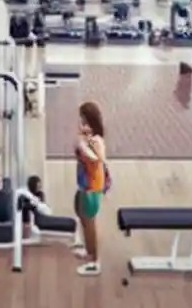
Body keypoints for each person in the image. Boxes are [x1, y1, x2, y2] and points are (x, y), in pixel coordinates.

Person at [72, 101, 107, 276]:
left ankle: (94, 260)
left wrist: (82, 146)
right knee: (83, 218)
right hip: (85, 184)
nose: (82, 125)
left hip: (92, 187)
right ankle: (88, 250)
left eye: (85, 121)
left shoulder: (96, 141)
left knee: (90, 222)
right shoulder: (88, 139)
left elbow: (96, 158)